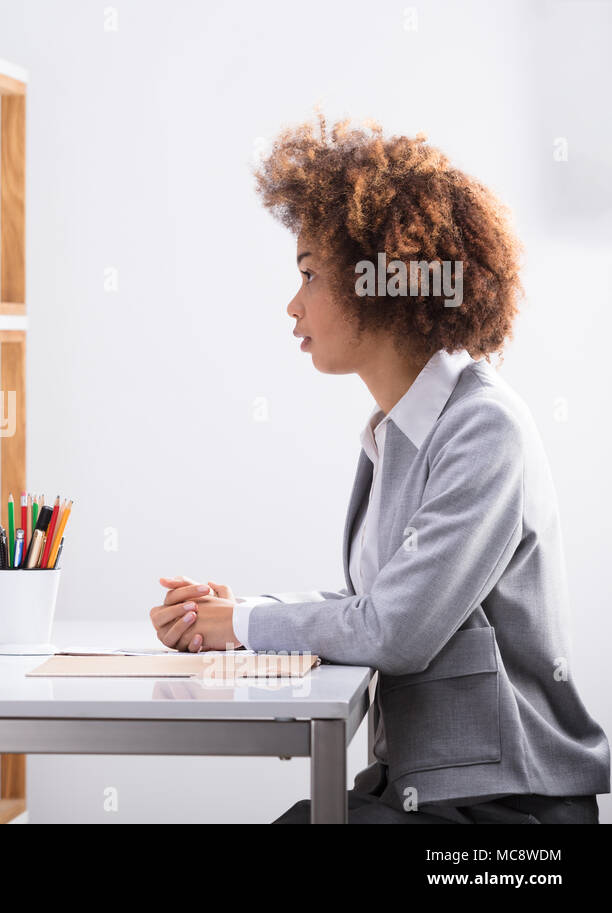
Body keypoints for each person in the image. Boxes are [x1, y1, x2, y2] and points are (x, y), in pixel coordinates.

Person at [149, 115, 609, 823]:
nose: (292, 304)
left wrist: (237, 623)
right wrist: (243, 612)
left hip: (512, 814)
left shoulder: (483, 428)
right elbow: (379, 601)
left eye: (309, 274)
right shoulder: (397, 433)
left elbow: (394, 628)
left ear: (381, 282)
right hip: (431, 795)